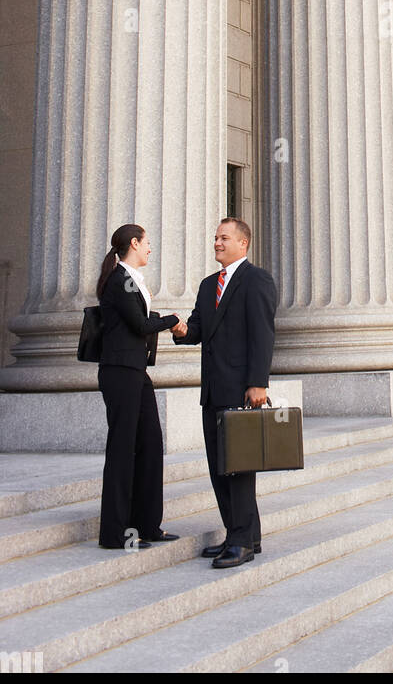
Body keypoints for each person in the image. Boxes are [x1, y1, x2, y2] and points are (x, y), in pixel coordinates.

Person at [172, 217, 277, 568]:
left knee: (240, 467)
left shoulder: (256, 280)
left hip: (242, 389)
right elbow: (199, 329)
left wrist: (258, 382)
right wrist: (180, 329)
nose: (217, 243)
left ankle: (241, 543)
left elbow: (262, 334)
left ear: (243, 243)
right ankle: (245, 534)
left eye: (224, 238)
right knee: (220, 467)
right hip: (212, 391)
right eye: (215, 237)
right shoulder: (206, 285)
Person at [96, 223, 184, 550]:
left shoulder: (130, 281)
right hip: (120, 372)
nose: (150, 248)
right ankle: (115, 533)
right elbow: (140, 324)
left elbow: (138, 321)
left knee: (149, 443)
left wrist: (162, 318)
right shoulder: (121, 280)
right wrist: (172, 320)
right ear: (134, 243)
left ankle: (147, 525)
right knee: (122, 449)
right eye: (147, 243)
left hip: (135, 371)